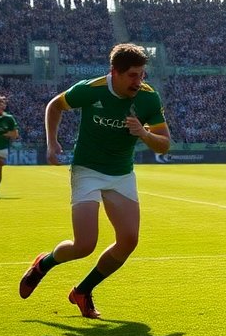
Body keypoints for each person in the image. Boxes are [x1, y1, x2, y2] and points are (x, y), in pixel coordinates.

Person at [18, 43, 172, 319]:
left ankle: (82, 291)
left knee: (128, 241)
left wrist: (144, 134)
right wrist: (51, 143)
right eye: (132, 76)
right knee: (84, 244)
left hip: (122, 173)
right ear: (114, 72)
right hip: (87, 170)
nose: (139, 82)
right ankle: (44, 263)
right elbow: (55, 105)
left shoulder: (149, 98)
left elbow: (164, 145)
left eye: (142, 75)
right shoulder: (91, 89)